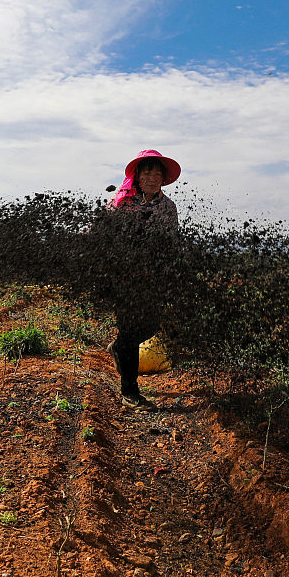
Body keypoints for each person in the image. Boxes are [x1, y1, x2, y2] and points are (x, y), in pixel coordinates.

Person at [104, 149, 181, 410]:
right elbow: (100, 230)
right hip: (122, 275)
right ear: (138, 176)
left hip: (152, 277)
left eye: (157, 173)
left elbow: (171, 242)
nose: (152, 177)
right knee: (129, 328)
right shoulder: (121, 201)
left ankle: (119, 348)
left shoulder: (168, 208)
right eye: (147, 172)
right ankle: (130, 392)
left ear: (163, 178)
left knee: (149, 325)